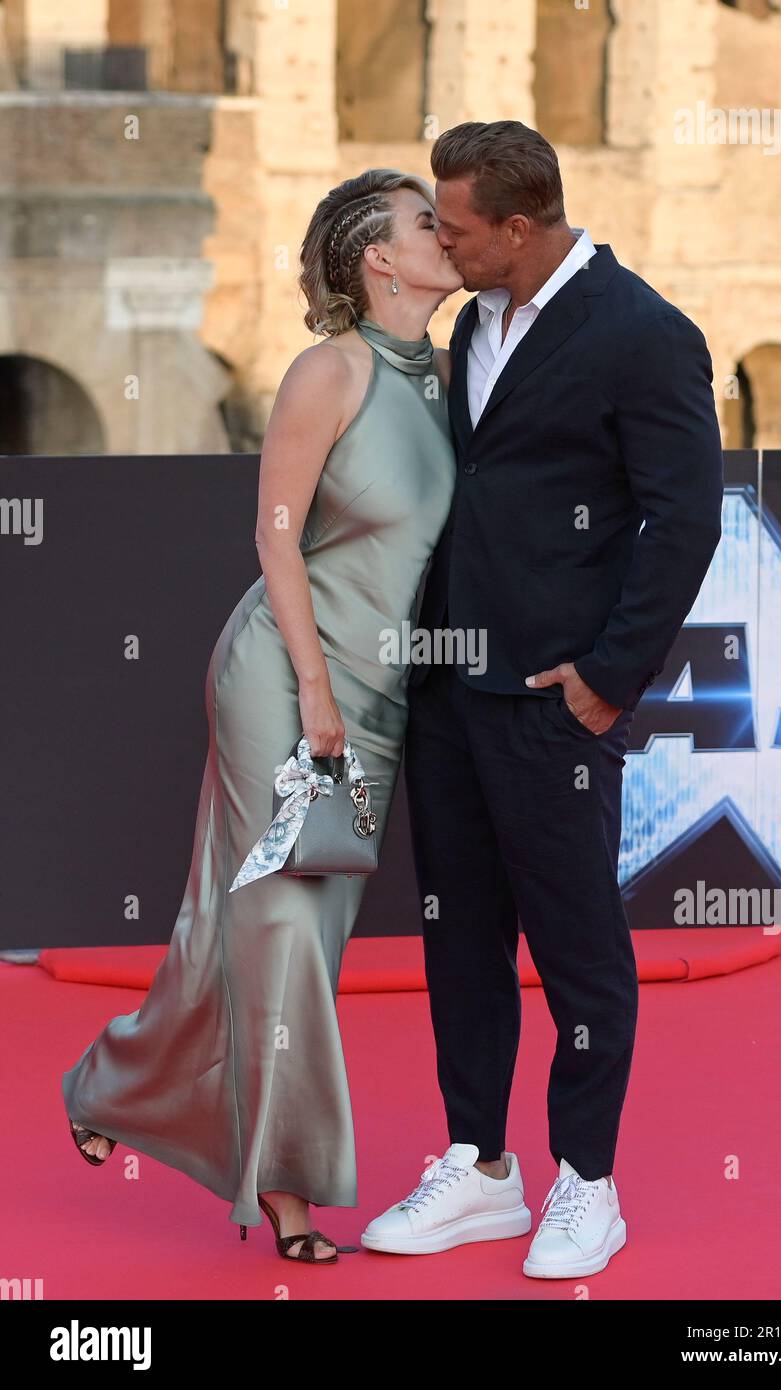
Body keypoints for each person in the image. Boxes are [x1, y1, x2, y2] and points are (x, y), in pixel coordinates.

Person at [61, 168, 463, 1263]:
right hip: (283, 679)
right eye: (426, 220)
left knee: (268, 931)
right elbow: (275, 536)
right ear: (377, 258)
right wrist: (317, 692)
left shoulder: (453, 374)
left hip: (378, 698)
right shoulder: (328, 371)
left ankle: (113, 1080)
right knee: (280, 927)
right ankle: (283, 1186)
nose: (448, 230)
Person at [361, 121, 724, 1279]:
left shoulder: (644, 334)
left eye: (455, 227)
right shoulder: (475, 320)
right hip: (450, 690)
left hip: (552, 702)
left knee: (573, 947)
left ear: (518, 227)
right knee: (458, 936)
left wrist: (610, 676)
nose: (440, 241)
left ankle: (586, 1182)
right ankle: (477, 1167)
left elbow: (687, 519)